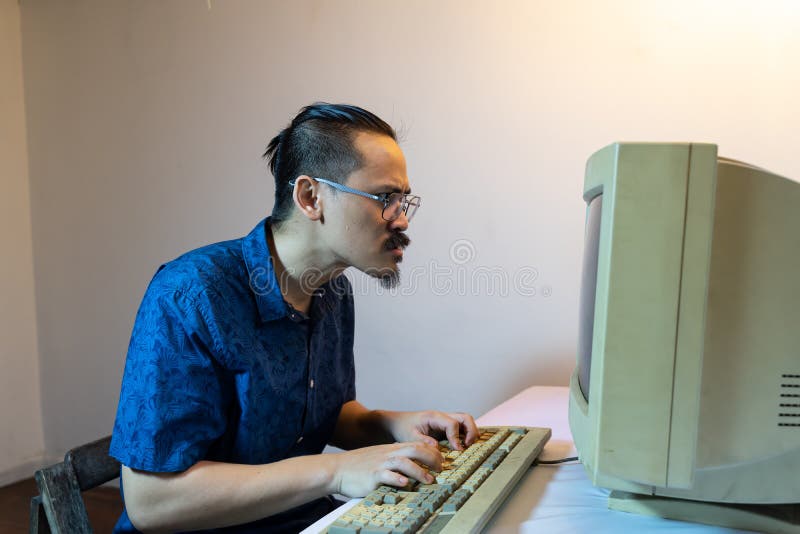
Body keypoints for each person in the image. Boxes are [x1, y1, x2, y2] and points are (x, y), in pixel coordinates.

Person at [110, 103, 479, 533]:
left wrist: (393, 426)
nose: (401, 218)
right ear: (310, 197)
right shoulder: (189, 294)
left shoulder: (333, 289)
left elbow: (322, 411)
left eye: (403, 200)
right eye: (385, 199)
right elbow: (150, 501)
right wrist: (336, 471)